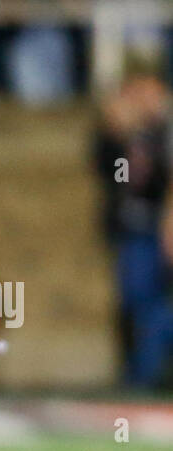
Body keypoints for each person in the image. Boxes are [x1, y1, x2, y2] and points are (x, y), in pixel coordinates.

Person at [95, 55, 173, 389]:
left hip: (159, 229)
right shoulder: (118, 134)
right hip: (133, 231)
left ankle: (145, 378)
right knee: (135, 305)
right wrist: (123, 136)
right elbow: (111, 175)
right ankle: (139, 378)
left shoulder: (164, 133)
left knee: (156, 308)